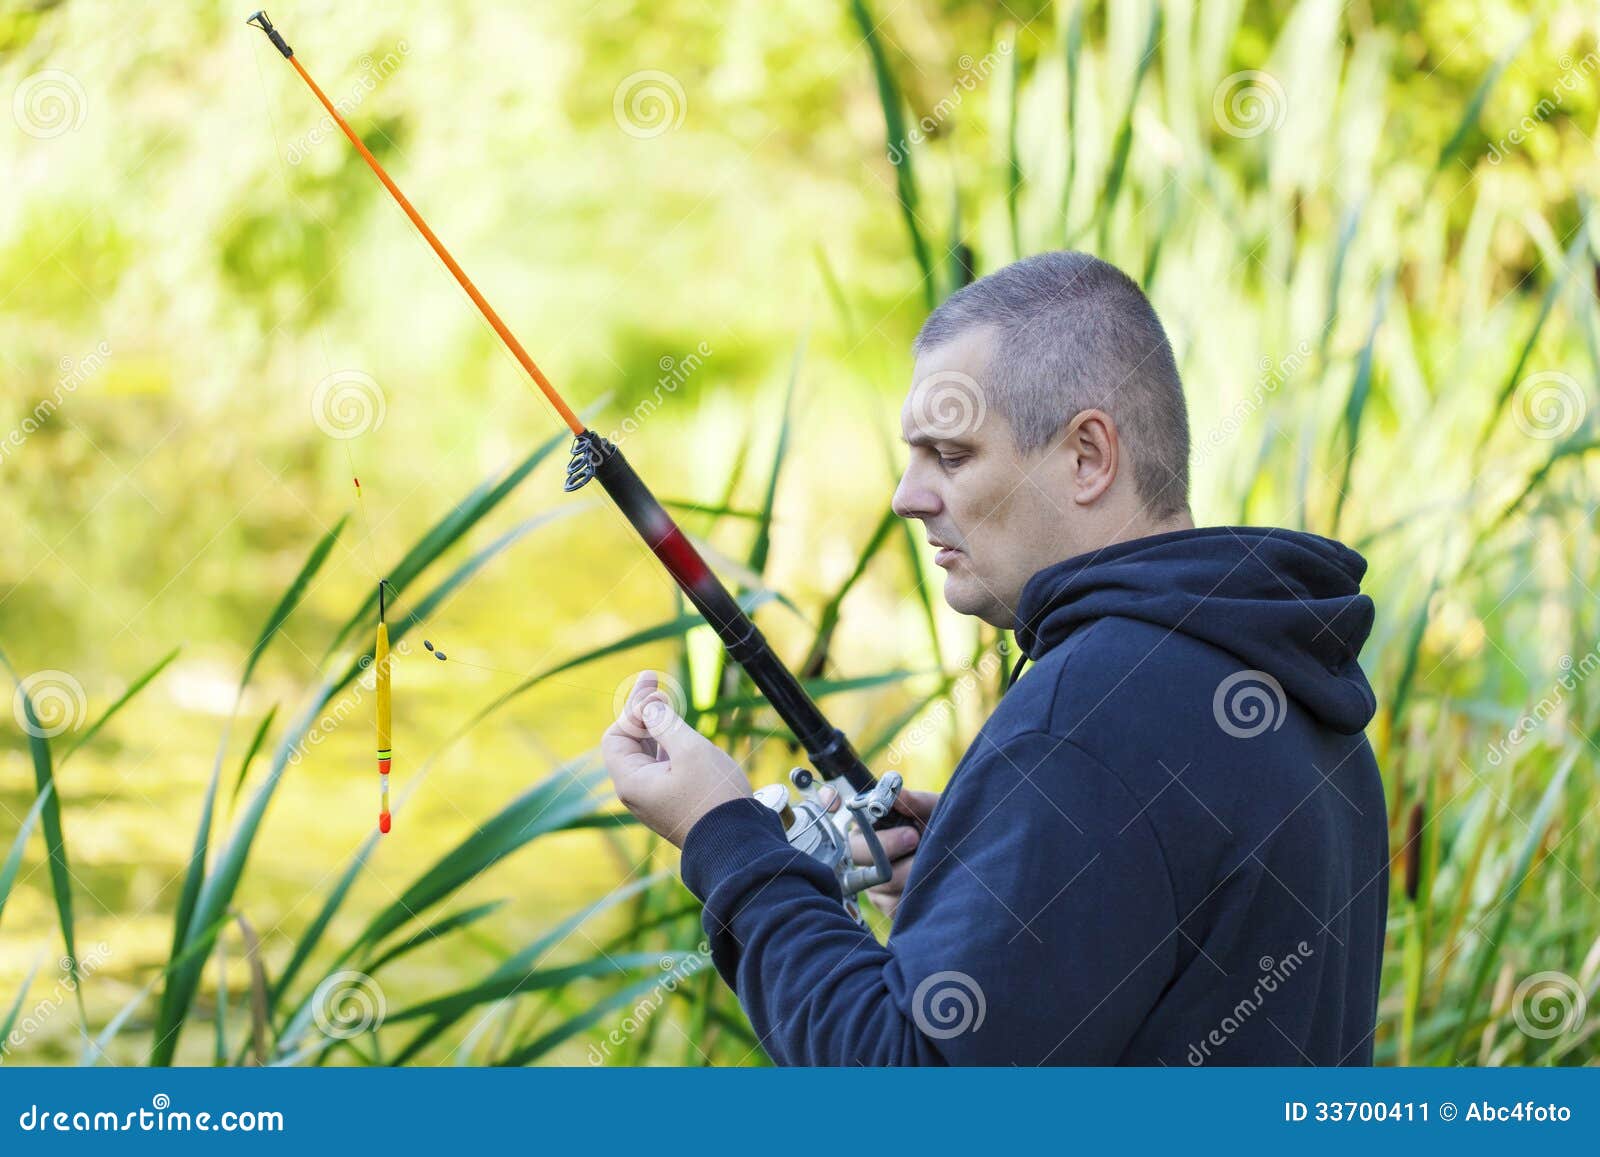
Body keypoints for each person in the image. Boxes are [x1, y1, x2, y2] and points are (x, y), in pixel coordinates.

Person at [601, 250, 1389, 1065]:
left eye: (951, 455)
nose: (907, 496)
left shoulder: (1086, 724)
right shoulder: (1283, 670)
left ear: (1088, 456)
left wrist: (727, 837)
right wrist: (987, 872)